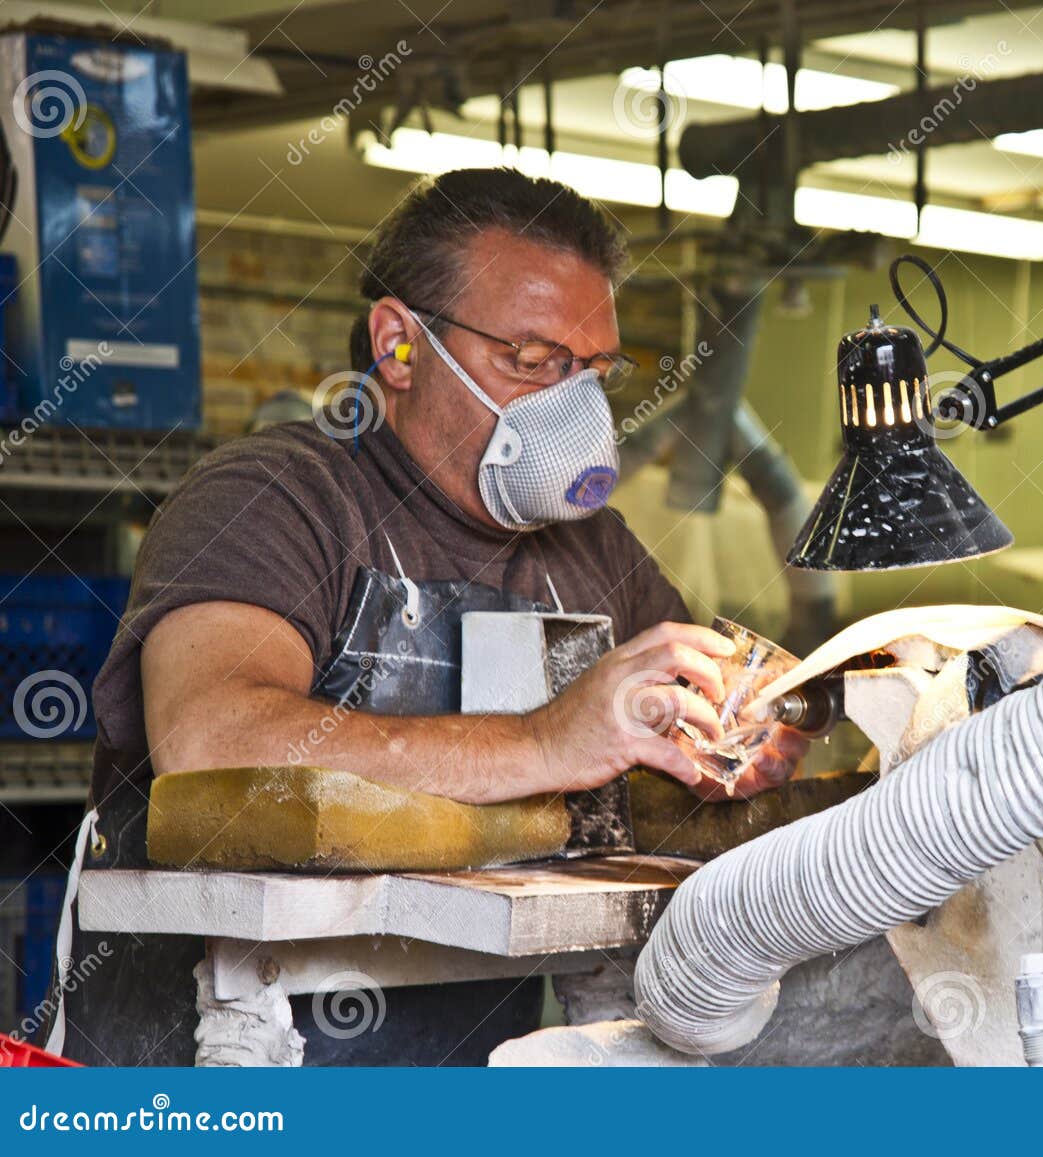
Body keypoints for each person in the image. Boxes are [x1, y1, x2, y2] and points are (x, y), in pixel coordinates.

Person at [62, 168, 804, 1065]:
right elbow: (211, 738)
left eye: (593, 371)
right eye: (530, 362)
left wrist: (739, 737)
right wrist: (540, 743)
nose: (574, 407)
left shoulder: (592, 551)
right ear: (398, 346)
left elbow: (684, 731)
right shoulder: (275, 499)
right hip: (219, 1070)